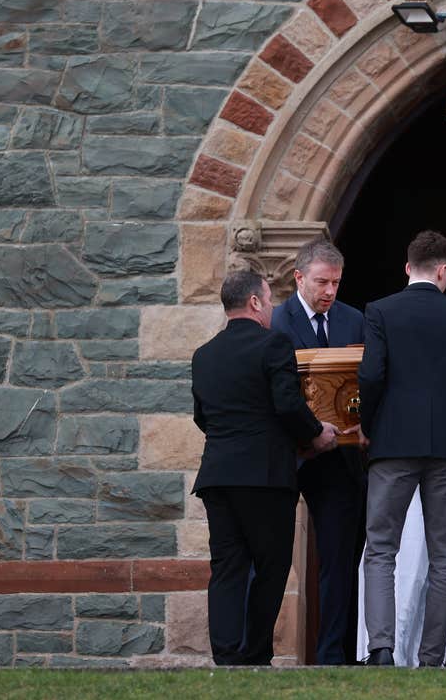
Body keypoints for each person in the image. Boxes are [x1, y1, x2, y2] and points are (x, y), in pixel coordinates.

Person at [191, 270, 339, 666]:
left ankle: (226, 657)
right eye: (269, 299)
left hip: (218, 476)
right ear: (255, 302)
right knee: (271, 567)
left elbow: (202, 417)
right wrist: (315, 435)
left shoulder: (203, 355)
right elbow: (288, 404)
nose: (273, 307)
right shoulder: (274, 344)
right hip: (265, 477)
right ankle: (255, 654)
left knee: (226, 568)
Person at [359, 230, 446, 667]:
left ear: (407, 267)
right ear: (443, 270)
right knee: (445, 557)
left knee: (381, 548)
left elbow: (372, 376)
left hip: (393, 442)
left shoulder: (380, 310)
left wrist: (371, 424)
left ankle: (380, 648)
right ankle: (431, 657)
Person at [270, 238, 366, 666]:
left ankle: (331, 655)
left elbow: (365, 382)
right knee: (271, 555)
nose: (330, 291)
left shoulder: (355, 321)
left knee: (339, 562)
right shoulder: (275, 321)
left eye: (336, 283)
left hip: (339, 462)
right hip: (288, 455)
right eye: (322, 282)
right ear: (298, 278)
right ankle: (259, 650)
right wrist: (308, 434)